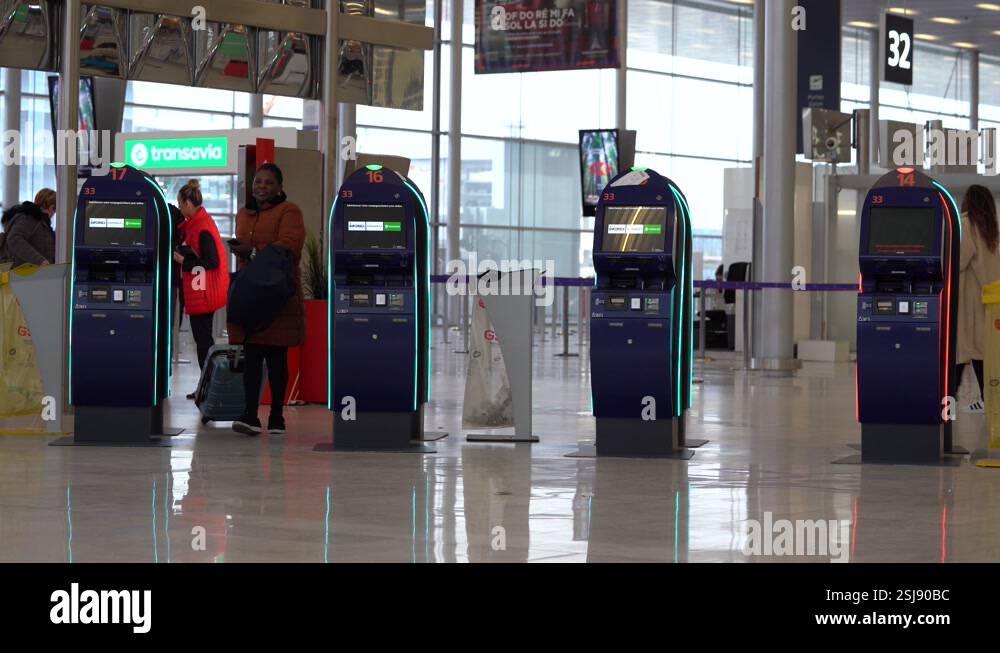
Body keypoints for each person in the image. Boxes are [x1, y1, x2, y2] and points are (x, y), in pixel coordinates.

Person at [228, 163, 305, 436]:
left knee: (276, 357)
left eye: (268, 182)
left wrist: (253, 251)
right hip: (251, 294)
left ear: (279, 187)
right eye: (258, 181)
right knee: (251, 357)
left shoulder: (289, 211)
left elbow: (289, 247)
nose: (261, 186)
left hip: (277, 294)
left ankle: (276, 417)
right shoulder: (243, 214)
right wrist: (242, 251)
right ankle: (250, 414)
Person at [173, 180, 229, 398]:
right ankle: (207, 386)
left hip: (204, 294)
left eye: (180, 204)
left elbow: (211, 261)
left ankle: (210, 387)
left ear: (188, 202)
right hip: (201, 292)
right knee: (204, 342)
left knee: (204, 344)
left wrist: (182, 261)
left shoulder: (202, 228)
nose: (179, 208)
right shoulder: (197, 224)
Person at [958, 185, 1000, 412]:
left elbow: (959, 262)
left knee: (963, 356)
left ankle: (947, 411)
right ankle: (991, 403)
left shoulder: (966, 225)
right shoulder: (992, 229)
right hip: (993, 302)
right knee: (987, 357)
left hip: (971, 305)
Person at [0, 189, 56, 268]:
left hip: (36, 274)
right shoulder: (30, 218)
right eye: (54, 208)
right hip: (24, 275)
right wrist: (40, 261)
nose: (54, 213)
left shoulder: (43, 223)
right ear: (48, 205)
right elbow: (14, 239)